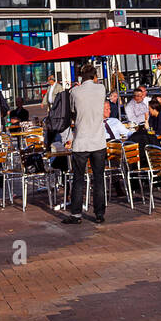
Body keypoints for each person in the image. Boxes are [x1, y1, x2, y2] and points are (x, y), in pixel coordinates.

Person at [64, 63, 107, 226]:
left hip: (81, 141)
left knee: (79, 179)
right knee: (98, 178)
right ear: (95, 76)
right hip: (98, 141)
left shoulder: (75, 92)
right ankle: (99, 213)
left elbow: (73, 111)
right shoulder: (101, 89)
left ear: (81, 77)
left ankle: (76, 213)